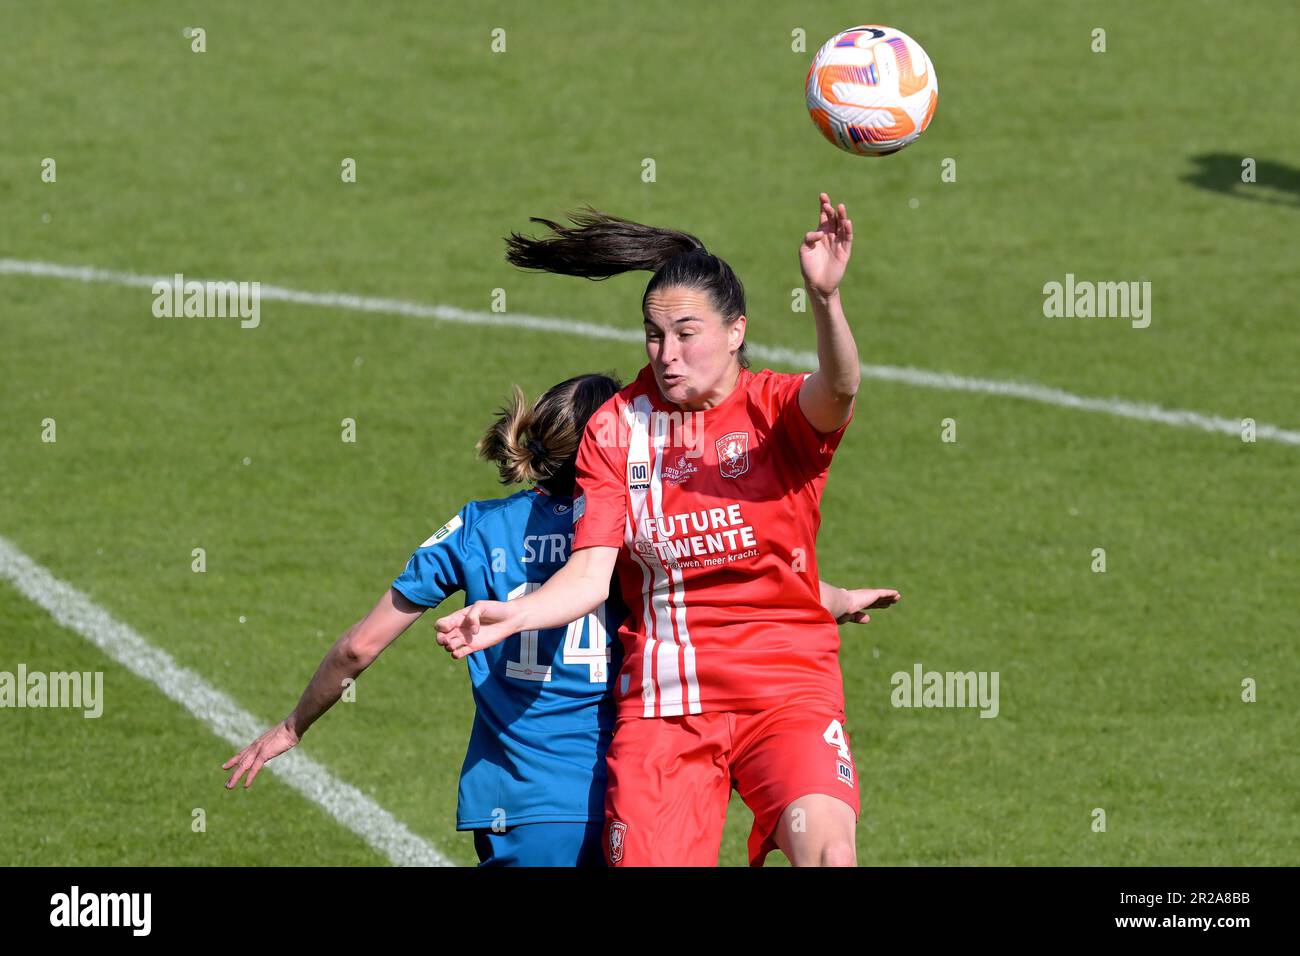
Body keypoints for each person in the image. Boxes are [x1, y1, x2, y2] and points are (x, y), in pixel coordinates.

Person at [222, 368, 894, 866]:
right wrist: (833, 601)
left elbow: (358, 650)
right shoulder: (634, 531)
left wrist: (292, 725)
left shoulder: (475, 529)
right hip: (635, 796)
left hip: (520, 807)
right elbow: (740, 585)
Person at [436, 193, 897, 866]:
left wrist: (825, 299)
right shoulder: (618, 427)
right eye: (655, 335)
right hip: (668, 705)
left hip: (787, 689)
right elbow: (591, 573)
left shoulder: (774, 411)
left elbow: (840, 387)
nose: (668, 353)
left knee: (830, 857)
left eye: (688, 334)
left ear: (736, 331)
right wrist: (514, 615)